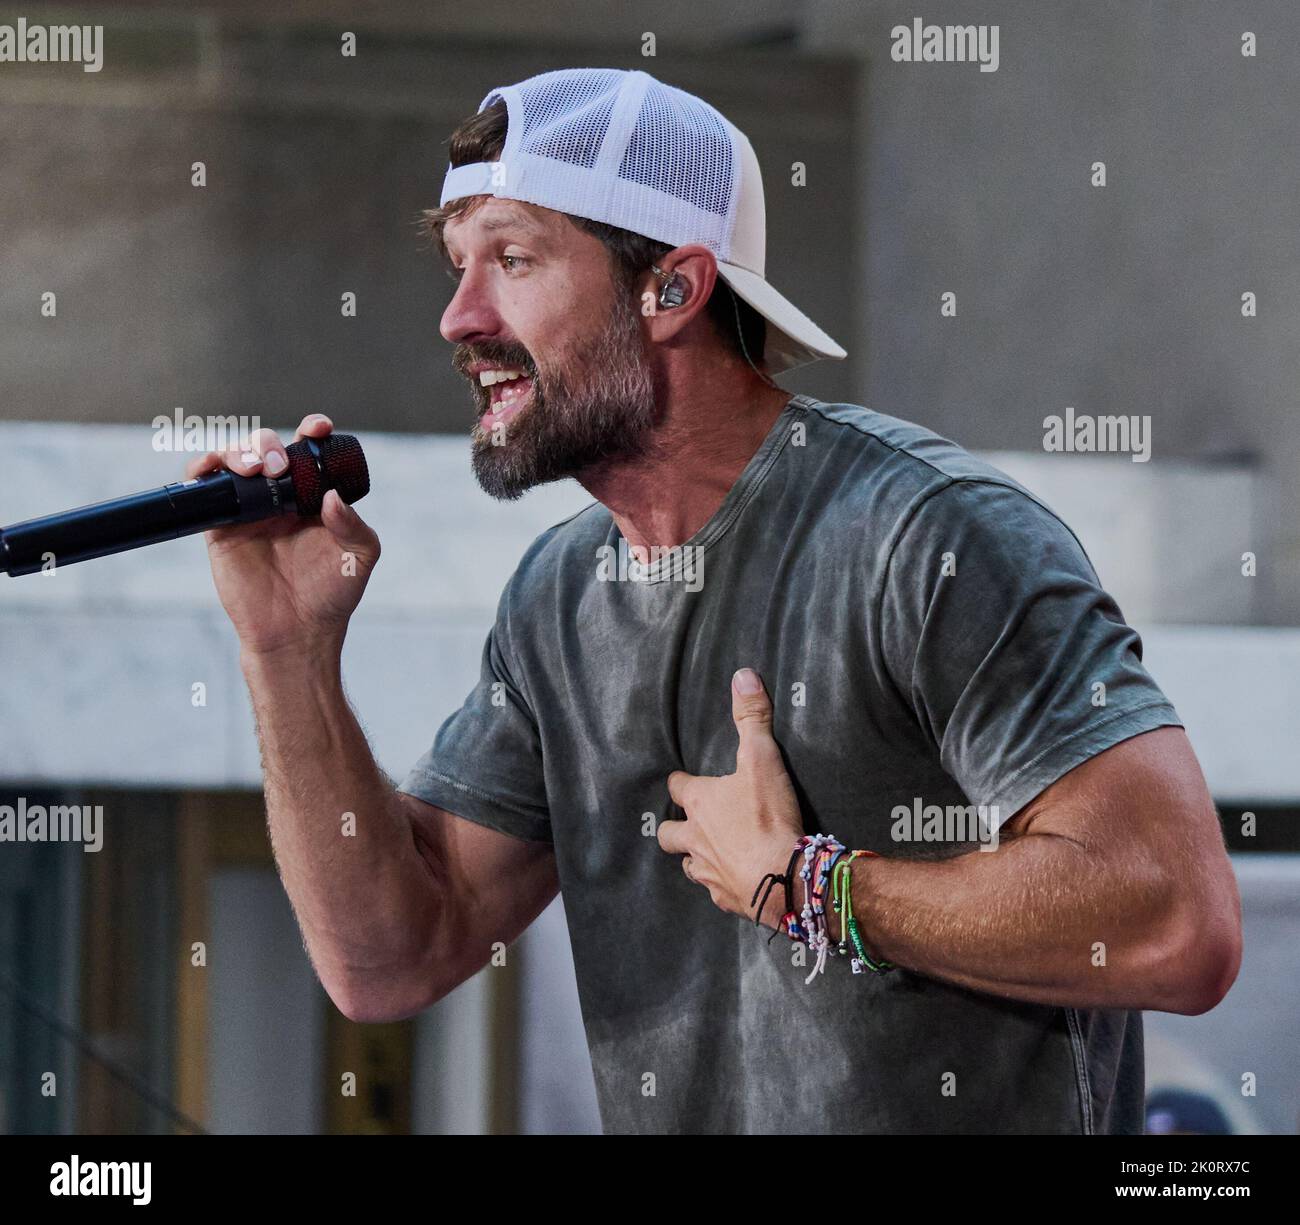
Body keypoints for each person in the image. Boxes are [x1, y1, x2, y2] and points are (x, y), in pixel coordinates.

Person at [189, 68, 1241, 1134]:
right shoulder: (559, 599)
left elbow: (1172, 920)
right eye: (459, 266)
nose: (461, 317)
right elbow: (393, 958)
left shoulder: (930, 535)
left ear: (674, 289)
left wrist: (816, 886)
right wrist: (286, 651)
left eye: (512, 259)